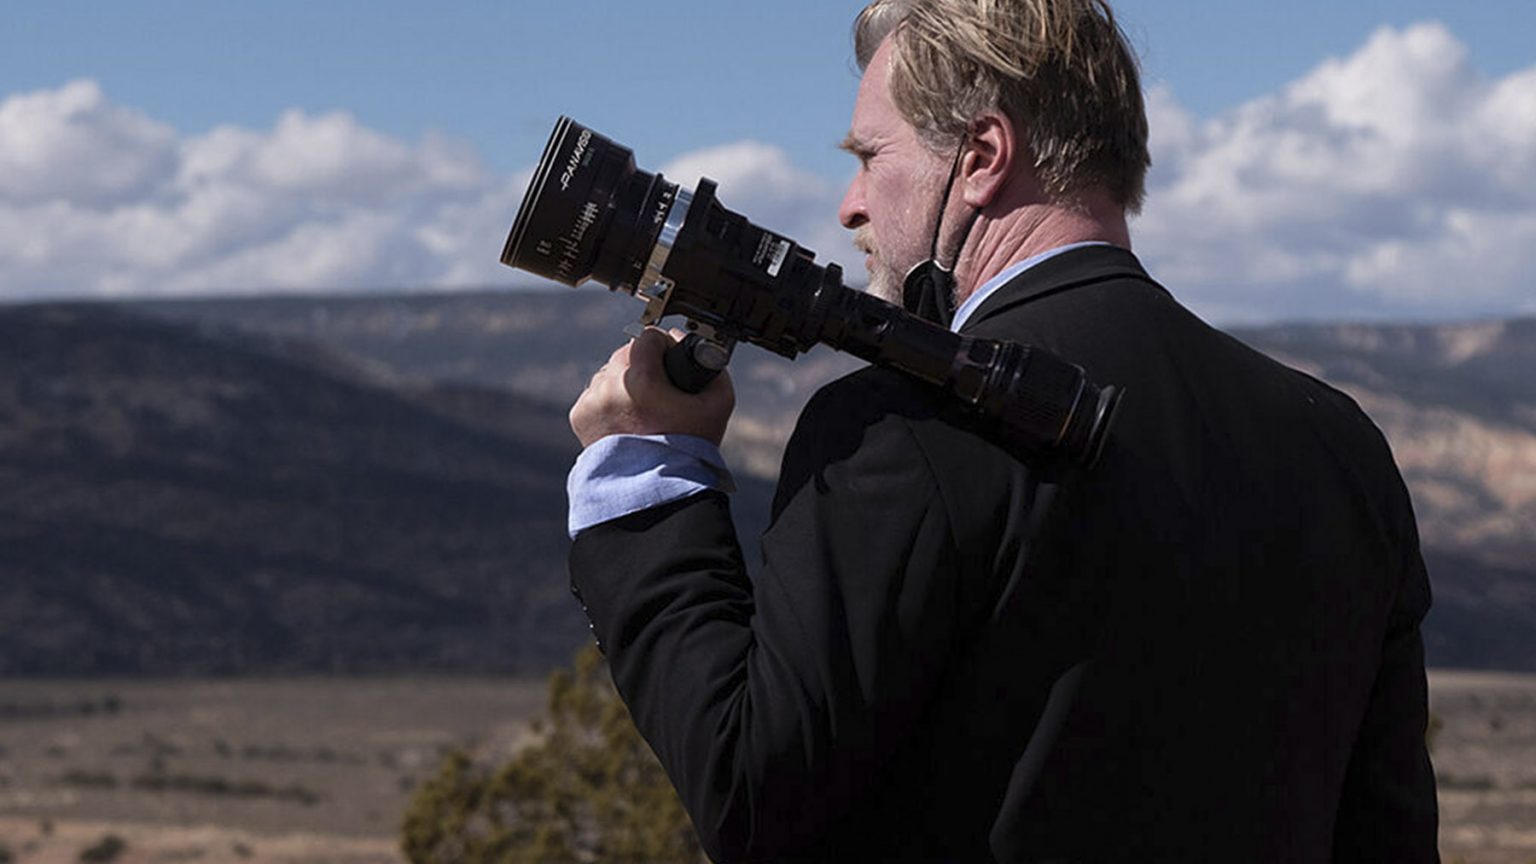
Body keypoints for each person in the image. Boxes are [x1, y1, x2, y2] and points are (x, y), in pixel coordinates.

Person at [564, 0, 1440, 860]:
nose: (849, 206)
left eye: (871, 158)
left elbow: (749, 794)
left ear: (981, 157)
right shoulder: (1341, 446)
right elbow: (1389, 834)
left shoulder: (900, 426)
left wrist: (645, 475)